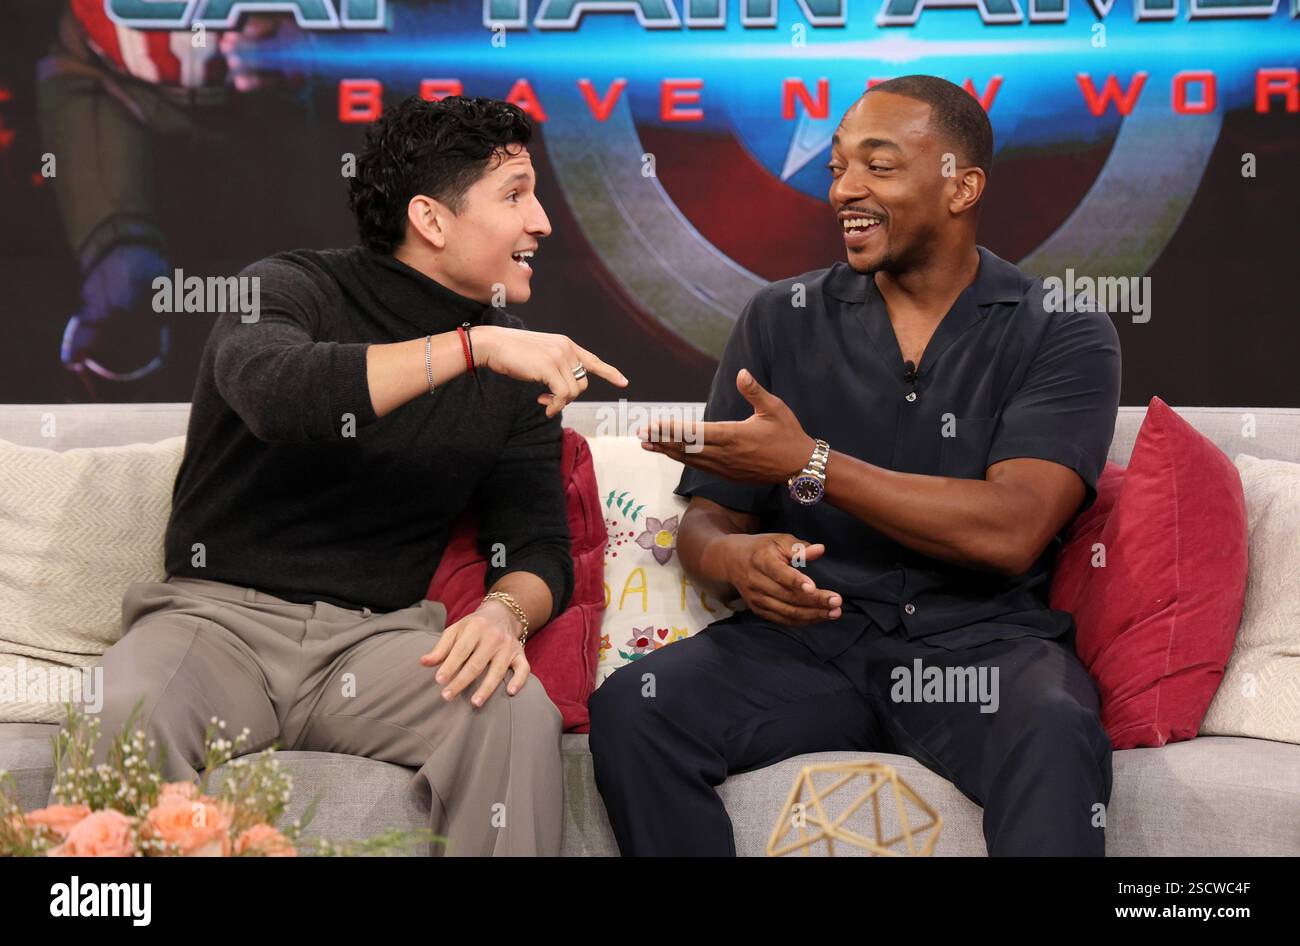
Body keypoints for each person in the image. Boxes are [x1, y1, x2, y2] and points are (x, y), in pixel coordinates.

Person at [59, 94, 628, 856]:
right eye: (516, 196)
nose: (543, 224)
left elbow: (536, 548)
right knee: (115, 711)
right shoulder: (291, 289)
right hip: (216, 626)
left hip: (379, 645)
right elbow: (281, 393)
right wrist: (473, 348)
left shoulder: (515, 362)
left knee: (515, 712)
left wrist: (504, 616)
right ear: (431, 220)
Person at [588, 75, 1122, 856]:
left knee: (1055, 728)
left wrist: (810, 463)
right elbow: (711, 519)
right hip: (808, 645)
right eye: (838, 167)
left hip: (980, 651)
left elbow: (1012, 529)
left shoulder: (1059, 331)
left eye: (879, 166)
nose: (845, 189)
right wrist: (736, 557)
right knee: (638, 707)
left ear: (961, 186)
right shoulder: (779, 319)